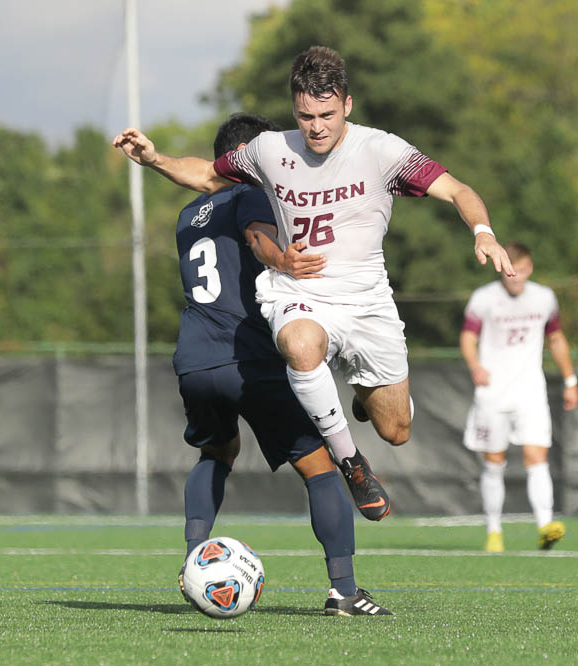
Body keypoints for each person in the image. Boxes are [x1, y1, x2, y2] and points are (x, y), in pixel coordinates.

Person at [113, 45, 514, 522]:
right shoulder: (269, 149)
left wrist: (483, 233)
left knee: (396, 429)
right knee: (300, 346)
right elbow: (206, 176)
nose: (317, 126)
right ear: (294, 109)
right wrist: (154, 157)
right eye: (305, 116)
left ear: (347, 104)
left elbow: (457, 189)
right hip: (298, 292)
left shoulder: (382, 150)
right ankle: (352, 462)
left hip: (365, 301)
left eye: (327, 114)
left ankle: (362, 398)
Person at [166, 113, 392, 616]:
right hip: (251, 359)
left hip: (196, 358)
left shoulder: (188, 215)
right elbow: (256, 242)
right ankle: (345, 593)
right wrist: (285, 260)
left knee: (216, 455)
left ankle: (191, 566)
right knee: (321, 470)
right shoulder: (254, 195)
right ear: (248, 158)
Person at [459, 241, 578, 552]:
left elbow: (556, 338)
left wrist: (570, 379)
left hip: (530, 392)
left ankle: (545, 526)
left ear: (529, 269)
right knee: (494, 462)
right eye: (510, 271)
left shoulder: (544, 298)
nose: (515, 277)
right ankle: (494, 532)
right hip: (493, 394)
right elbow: (468, 336)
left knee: (537, 457)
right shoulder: (484, 299)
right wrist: (475, 366)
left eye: (521, 270)